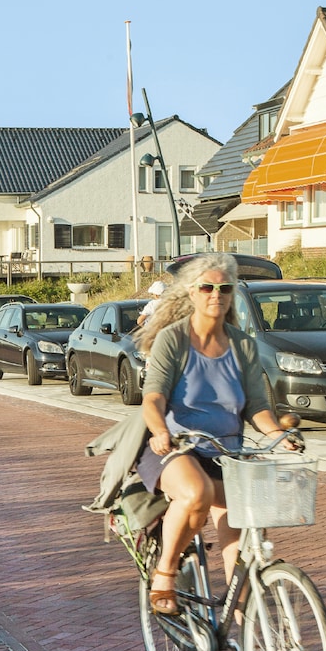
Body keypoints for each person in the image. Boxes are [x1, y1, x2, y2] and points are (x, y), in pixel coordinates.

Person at [134, 252, 301, 625]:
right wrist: (160, 431)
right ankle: (165, 575)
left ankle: (247, 635)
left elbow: (257, 407)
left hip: (226, 451)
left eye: (225, 288)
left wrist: (278, 434)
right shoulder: (173, 339)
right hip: (175, 445)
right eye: (207, 287)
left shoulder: (242, 345)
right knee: (198, 493)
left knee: (245, 531)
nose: (216, 294)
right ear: (192, 292)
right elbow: (153, 398)